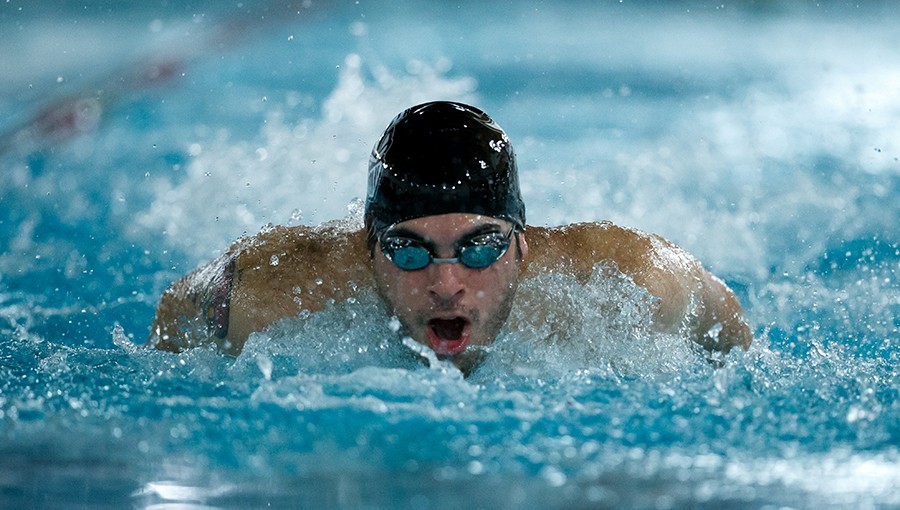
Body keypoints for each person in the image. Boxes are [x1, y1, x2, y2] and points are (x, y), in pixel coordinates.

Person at [149, 101, 752, 372]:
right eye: (407, 250)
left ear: (522, 242)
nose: (446, 283)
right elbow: (176, 313)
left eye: (480, 247)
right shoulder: (268, 292)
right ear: (368, 251)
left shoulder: (629, 277)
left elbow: (728, 323)